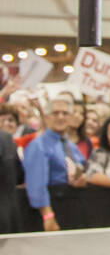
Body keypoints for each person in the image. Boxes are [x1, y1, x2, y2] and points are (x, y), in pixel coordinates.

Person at [22, 97, 86, 232]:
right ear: (46, 117)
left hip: (73, 207)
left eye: (65, 113)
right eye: (55, 113)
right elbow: (36, 185)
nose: (60, 117)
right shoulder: (38, 146)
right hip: (51, 208)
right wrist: (48, 215)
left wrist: (81, 179)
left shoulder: (72, 147)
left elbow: (81, 168)